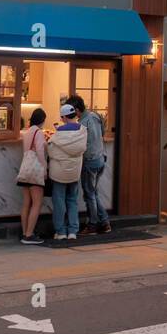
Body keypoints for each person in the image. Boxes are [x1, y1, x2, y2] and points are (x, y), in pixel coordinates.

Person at [46, 102, 87, 241]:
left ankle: (61, 231)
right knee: (72, 201)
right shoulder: (83, 130)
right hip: (75, 172)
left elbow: (51, 152)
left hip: (59, 173)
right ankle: (73, 231)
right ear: (75, 115)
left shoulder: (58, 134)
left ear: (63, 117)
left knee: (59, 202)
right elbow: (82, 149)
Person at [74, 94, 112, 235]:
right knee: (93, 193)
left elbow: (80, 145)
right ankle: (105, 222)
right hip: (101, 158)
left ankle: (93, 225)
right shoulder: (95, 116)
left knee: (90, 194)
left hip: (89, 161)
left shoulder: (83, 124)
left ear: (77, 110)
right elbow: (101, 134)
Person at [17, 108, 48, 244]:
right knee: (37, 203)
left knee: (26, 203)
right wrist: (44, 167)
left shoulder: (27, 132)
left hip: (25, 170)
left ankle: (24, 232)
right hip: (35, 172)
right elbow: (40, 152)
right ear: (42, 120)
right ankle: (29, 235)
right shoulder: (39, 132)